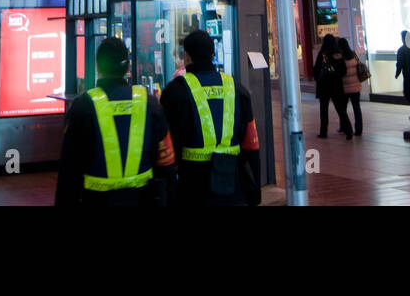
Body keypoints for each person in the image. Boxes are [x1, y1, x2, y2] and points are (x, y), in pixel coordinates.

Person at [55, 37, 176, 206]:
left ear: (97, 66)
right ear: (127, 67)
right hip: (142, 199)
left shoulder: (83, 106)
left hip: (96, 200)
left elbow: (69, 171)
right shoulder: (149, 104)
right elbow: (166, 162)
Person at [159, 29, 260, 206]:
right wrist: (254, 190)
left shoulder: (175, 91)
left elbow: (168, 148)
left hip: (192, 189)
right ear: (213, 54)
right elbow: (252, 146)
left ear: (187, 57)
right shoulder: (236, 88)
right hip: (233, 187)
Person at [312, 34, 352, 139]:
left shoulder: (322, 54)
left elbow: (316, 69)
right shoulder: (338, 53)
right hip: (336, 85)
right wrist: (337, 77)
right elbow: (344, 70)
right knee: (340, 109)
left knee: (323, 109)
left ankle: (323, 131)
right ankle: (349, 130)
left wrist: (319, 79)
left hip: (324, 85)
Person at [337, 38, 365, 137]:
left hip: (345, 87)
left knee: (342, 109)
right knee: (357, 108)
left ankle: (344, 127)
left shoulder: (340, 57)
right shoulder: (353, 54)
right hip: (356, 85)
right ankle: (359, 129)